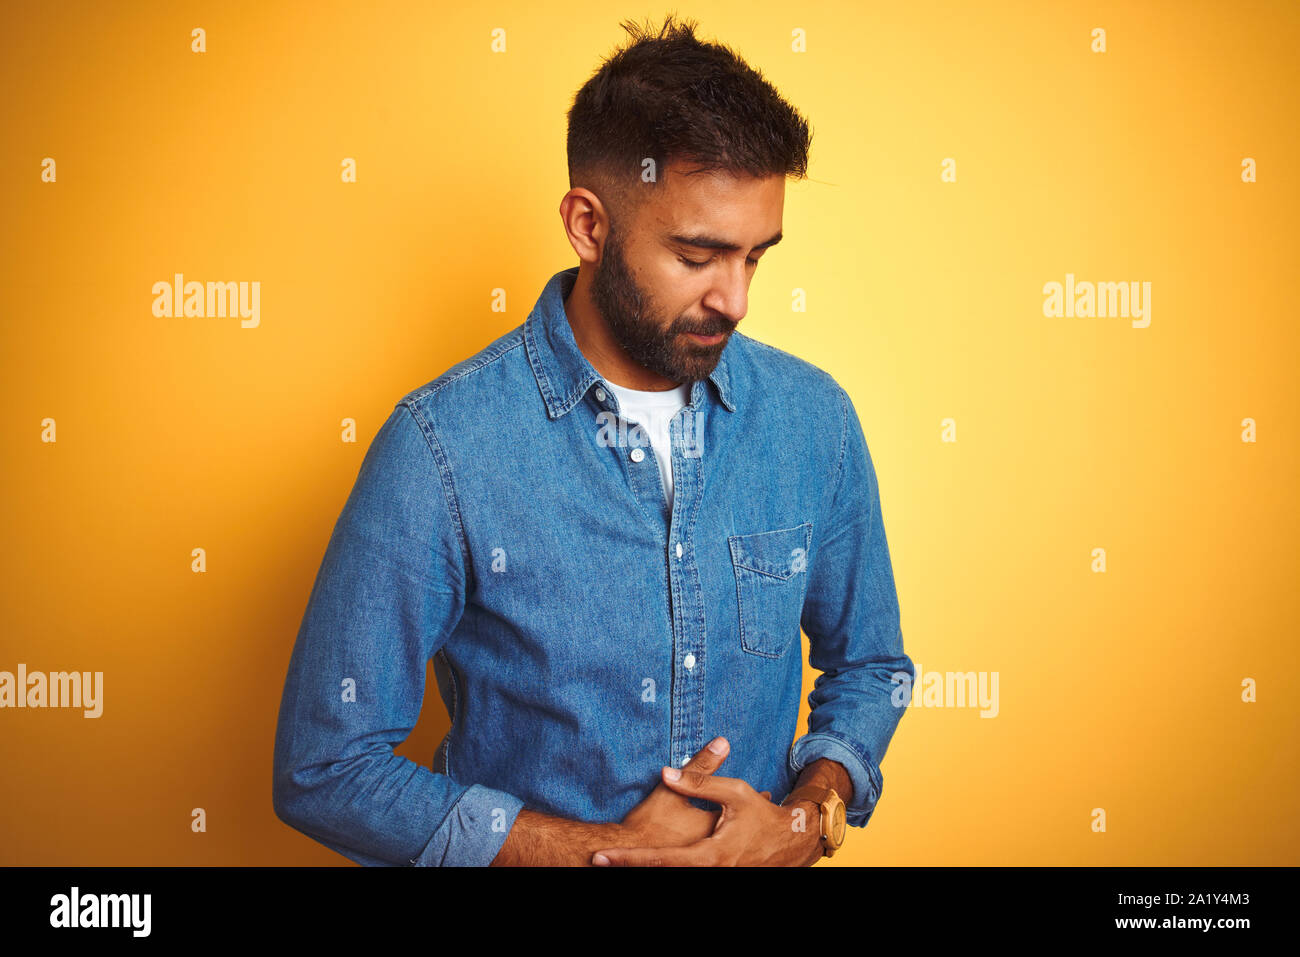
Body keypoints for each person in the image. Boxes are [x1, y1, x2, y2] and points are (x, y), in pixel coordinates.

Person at [272, 13, 913, 867]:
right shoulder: (442, 448)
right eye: (698, 256)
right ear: (587, 225)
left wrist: (806, 821)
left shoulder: (813, 421)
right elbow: (326, 767)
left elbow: (871, 667)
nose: (736, 299)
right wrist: (599, 853)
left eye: (756, 257)